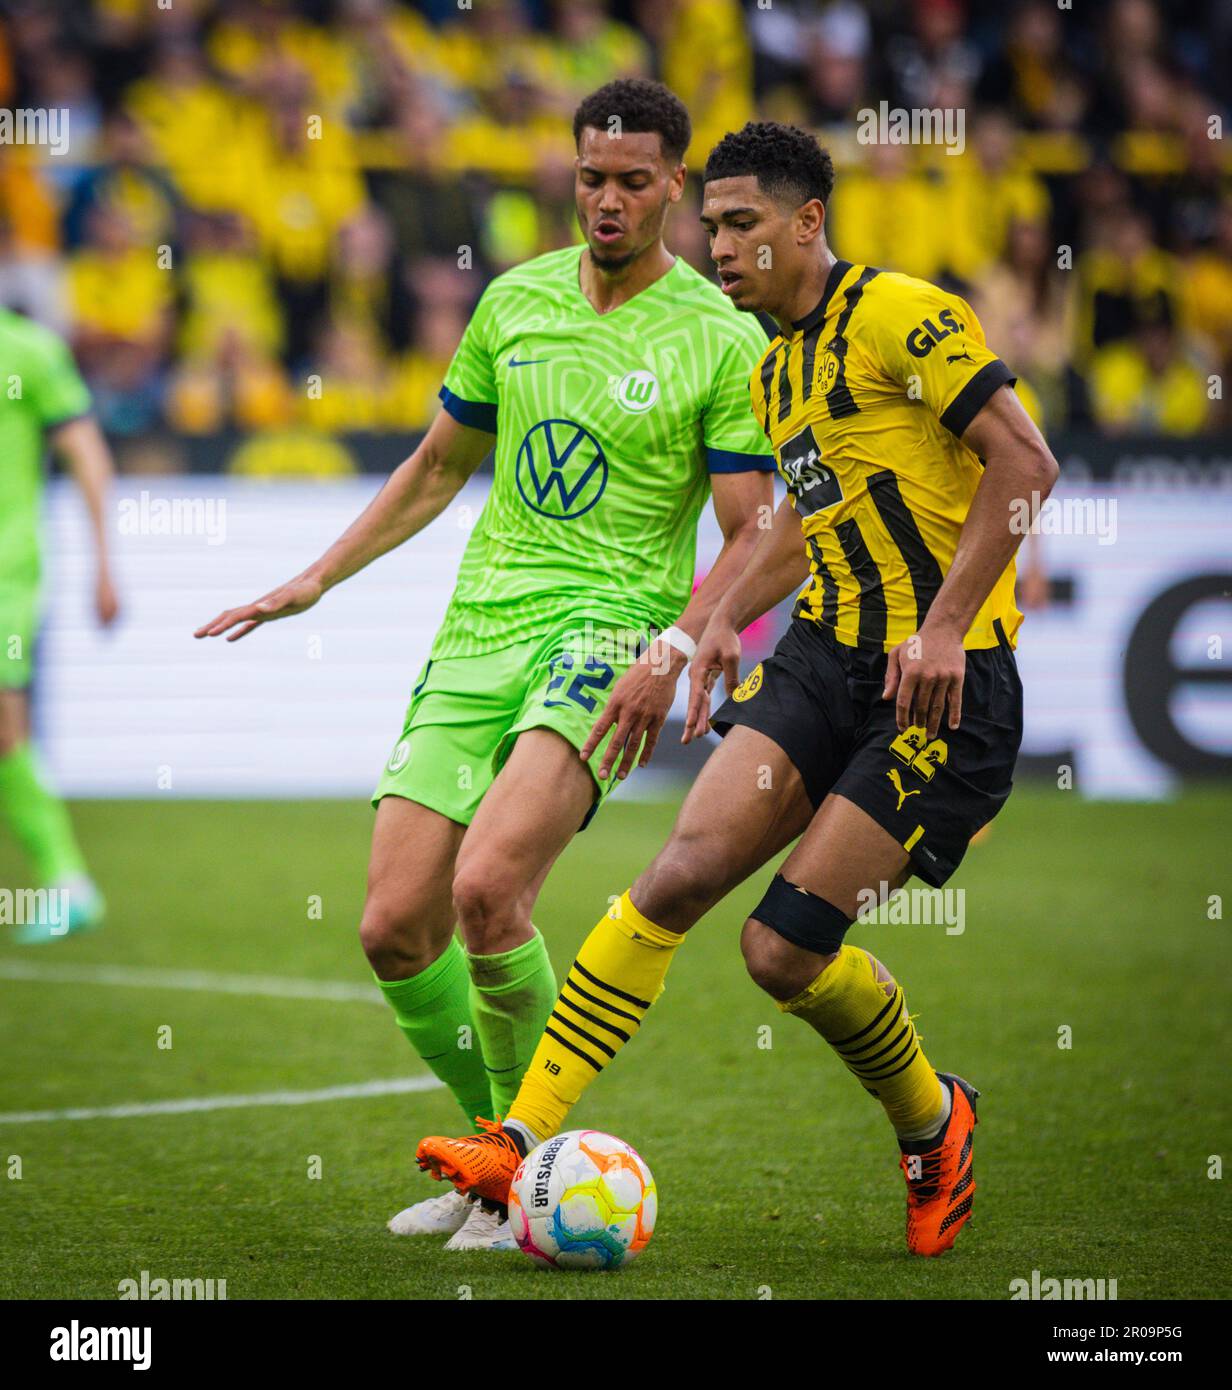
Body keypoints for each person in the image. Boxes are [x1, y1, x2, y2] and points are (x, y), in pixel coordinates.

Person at [416, 121, 1060, 1258]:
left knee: (779, 949)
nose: (717, 245)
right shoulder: (773, 366)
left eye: (740, 223)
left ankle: (931, 1119)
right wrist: (695, 634)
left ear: (807, 222)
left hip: (938, 689)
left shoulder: (902, 315)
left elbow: (1024, 462)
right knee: (676, 872)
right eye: (709, 224)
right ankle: (515, 1142)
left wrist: (947, 626)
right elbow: (792, 524)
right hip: (822, 659)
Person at [194, 80, 774, 1251]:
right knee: (393, 926)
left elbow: (755, 524)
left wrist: (678, 643)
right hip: (479, 632)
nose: (605, 200)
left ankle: (513, 1165)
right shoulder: (510, 303)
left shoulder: (719, 332)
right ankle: (487, 1156)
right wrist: (314, 577)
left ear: (673, 184)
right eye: (589, 176)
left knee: (487, 891)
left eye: (631, 181)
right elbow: (430, 467)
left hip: (608, 634)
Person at [0, 307, 118, 944]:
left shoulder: (28, 351)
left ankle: (66, 880)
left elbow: (87, 454)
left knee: (3, 724)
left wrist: (104, 564)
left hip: (5, 574)